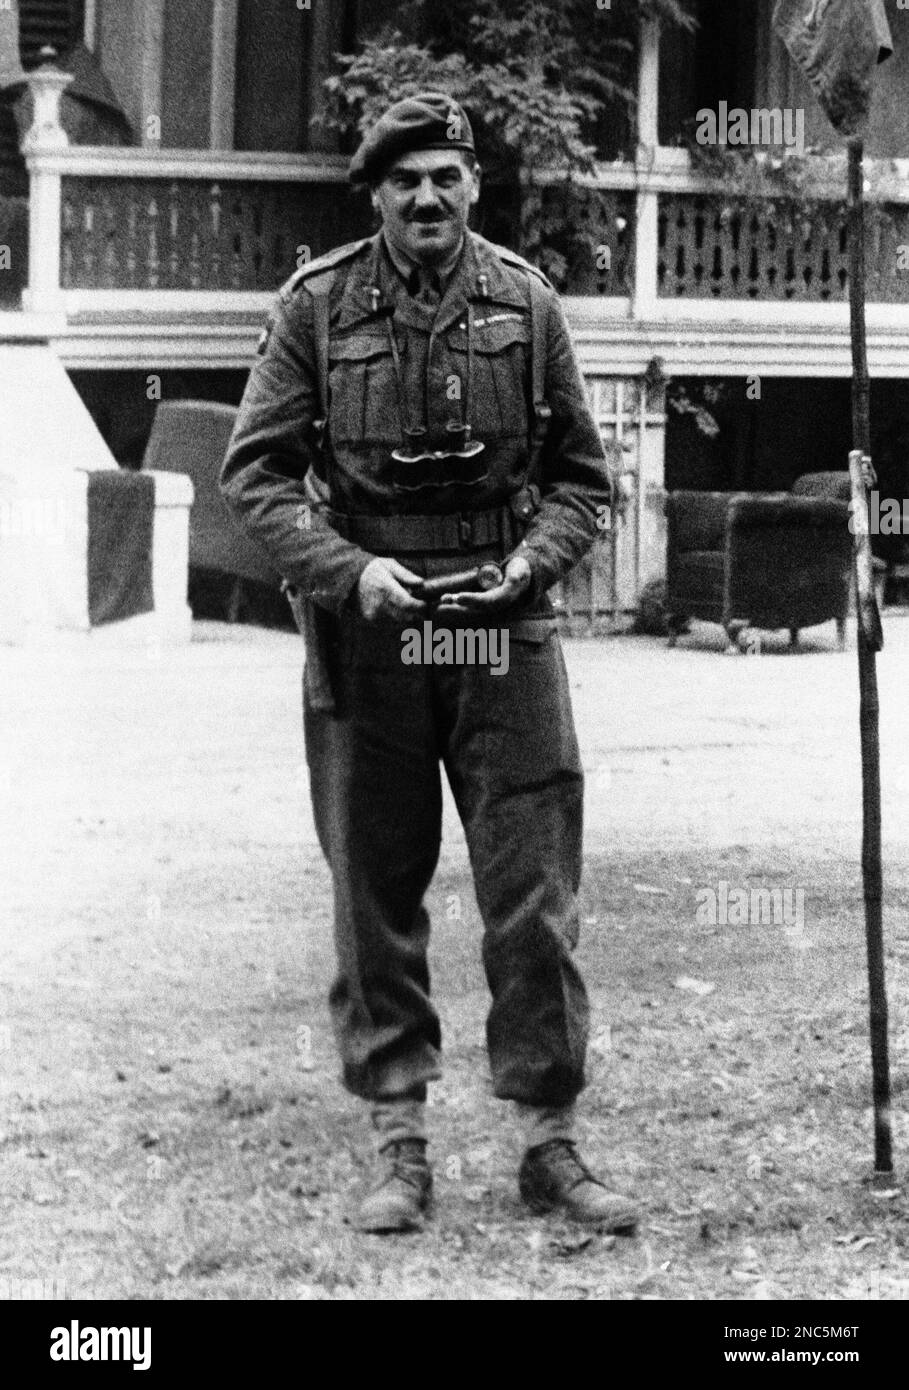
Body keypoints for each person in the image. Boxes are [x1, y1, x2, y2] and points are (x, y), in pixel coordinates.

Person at [220, 92, 638, 1236]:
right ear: (376, 195)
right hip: (373, 635)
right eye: (404, 180)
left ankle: (550, 1144)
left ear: (472, 186)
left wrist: (530, 564)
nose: (427, 198)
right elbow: (252, 475)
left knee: (532, 894)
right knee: (374, 891)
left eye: (446, 175)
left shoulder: (528, 302)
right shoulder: (315, 308)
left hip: (505, 635)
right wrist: (349, 573)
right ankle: (398, 1147)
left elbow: (581, 483)